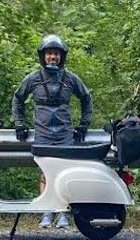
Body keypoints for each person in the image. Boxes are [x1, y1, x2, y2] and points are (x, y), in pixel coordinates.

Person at [12, 34, 93, 228]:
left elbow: (86, 98)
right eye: (49, 54)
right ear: (43, 56)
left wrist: (84, 124)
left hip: (65, 133)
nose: (53, 58)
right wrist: (19, 123)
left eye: (56, 54)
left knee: (64, 174)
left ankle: (63, 213)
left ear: (61, 56)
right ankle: (47, 212)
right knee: (46, 174)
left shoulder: (70, 79)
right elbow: (18, 99)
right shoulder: (34, 78)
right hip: (43, 133)